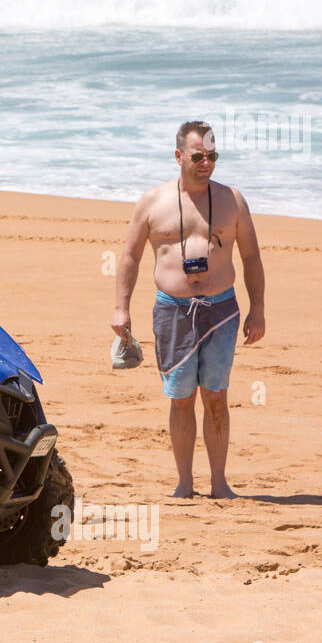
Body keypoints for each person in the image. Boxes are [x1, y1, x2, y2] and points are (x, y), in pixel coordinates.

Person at [112, 121, 266, 498]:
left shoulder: (232, 200)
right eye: (198, 156)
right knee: (180, 397)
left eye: (213, 156)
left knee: (216, 395)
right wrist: (121, 308)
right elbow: (130, 255)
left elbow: (251, 256)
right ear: (179, 155)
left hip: (222, 310)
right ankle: (184, 483)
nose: (206, 163)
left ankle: (219, 483)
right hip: (172, 311)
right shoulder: (152, 201)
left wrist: (258, 309)